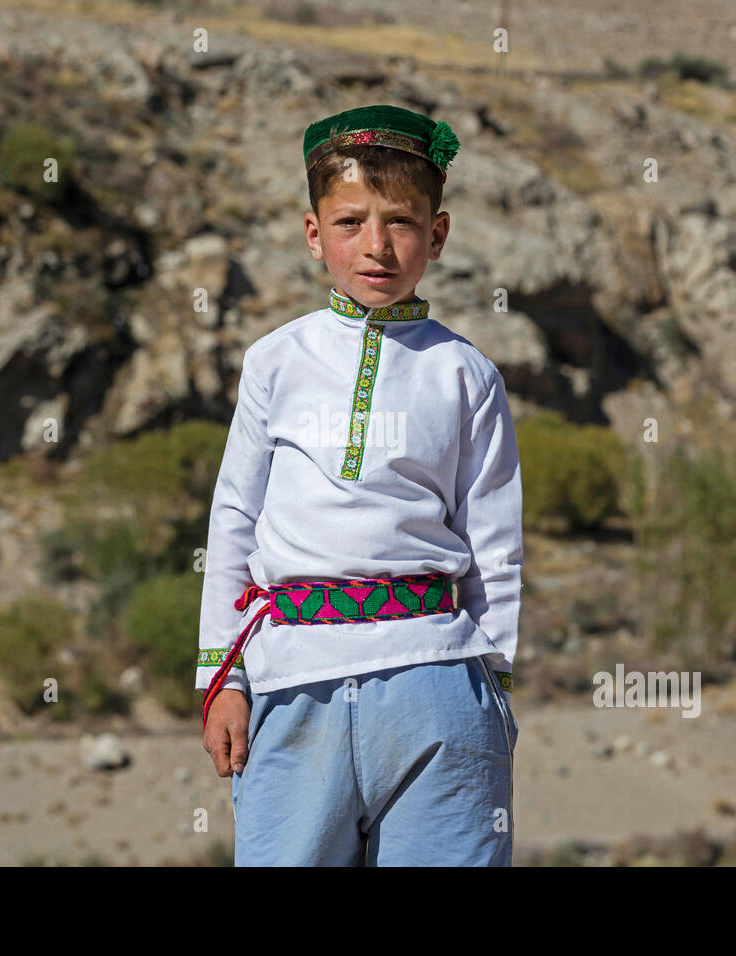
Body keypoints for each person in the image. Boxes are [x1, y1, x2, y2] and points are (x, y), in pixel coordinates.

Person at [196, 104, 523, 866]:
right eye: (350, 223)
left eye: (402, 222)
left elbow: (496, 545)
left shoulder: (467, 373)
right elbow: (233, 522)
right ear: (315, 235)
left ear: (436, 236)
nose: (376, 246)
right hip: (290, 686)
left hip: (437, 687)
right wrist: (222, 677)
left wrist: (494, 690)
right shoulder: (275, 361)